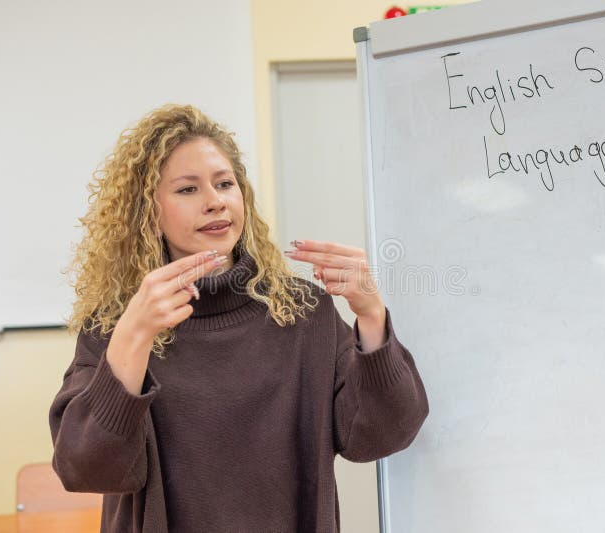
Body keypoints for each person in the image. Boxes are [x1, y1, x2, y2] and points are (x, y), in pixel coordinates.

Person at [49, 104, 429, 532]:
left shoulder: (304, 312)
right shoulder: (116, 327)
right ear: (149, 215)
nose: (215, 202)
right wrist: (133, 336)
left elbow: (382, 435)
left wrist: (372, 316)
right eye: (188, 189)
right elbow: (86, 469)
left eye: (225, 184)